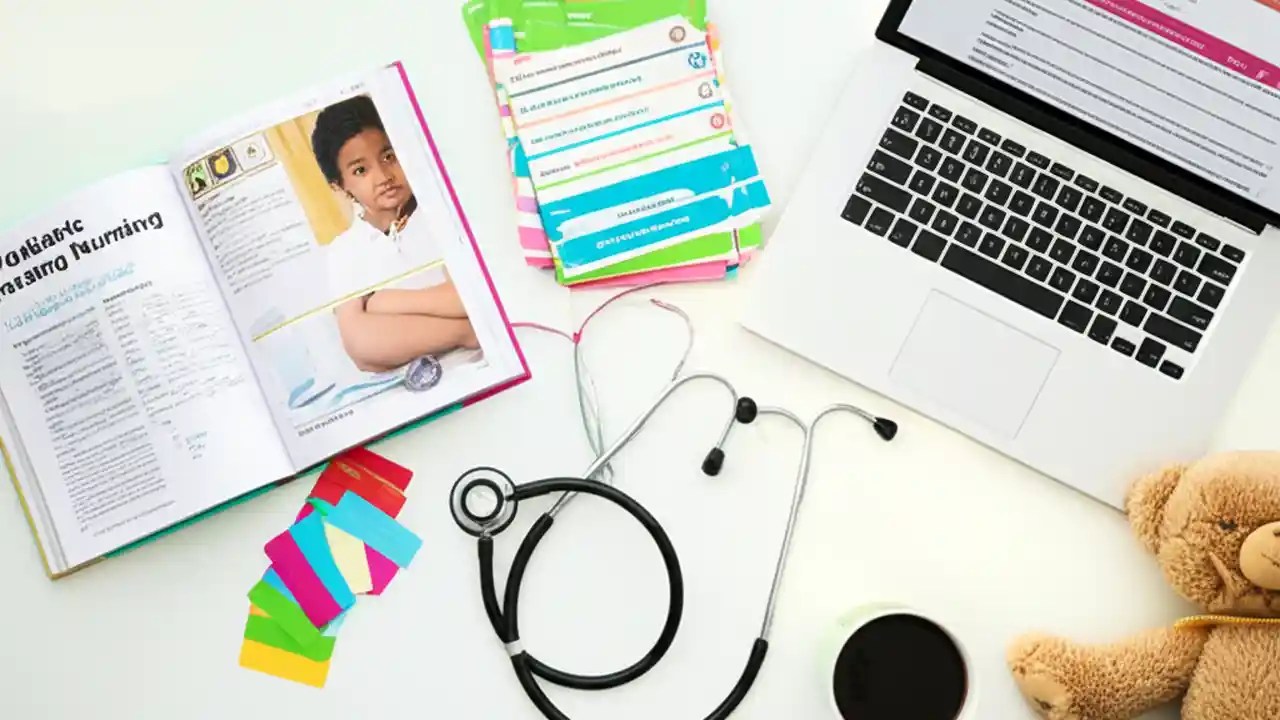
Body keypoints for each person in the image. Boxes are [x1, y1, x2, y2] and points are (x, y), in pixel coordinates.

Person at [311, 95, 480, 374]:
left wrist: (385, 302)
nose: (383, 176)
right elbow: (361, 347)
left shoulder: (439, 212)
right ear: (339, 186)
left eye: (389, 157)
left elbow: (471, 297)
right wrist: (463, 331)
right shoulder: (344, 251)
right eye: (361, 170)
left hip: (475, 368)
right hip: (406, 389)